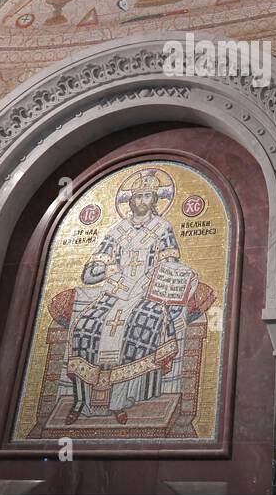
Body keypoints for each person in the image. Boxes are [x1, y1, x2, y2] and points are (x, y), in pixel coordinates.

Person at [64, 170, 211, 425]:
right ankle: (81, 401)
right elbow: (90, 271)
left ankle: (121, 400)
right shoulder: (116, 231)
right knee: (84, 328)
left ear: (155, 200)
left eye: (147, 196)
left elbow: (171, 263)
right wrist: (108, 269)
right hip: (114, 291)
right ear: (129, 201)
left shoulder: (162, 228)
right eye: (137, 196)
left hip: (147, 292)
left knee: (139, 327)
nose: (142, 201)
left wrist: (170, 277)